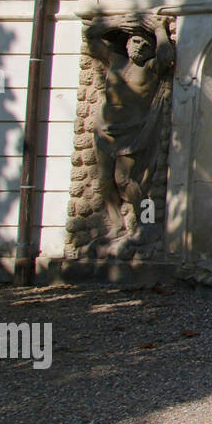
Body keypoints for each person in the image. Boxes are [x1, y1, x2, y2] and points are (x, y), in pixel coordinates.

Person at [85, 15, 175, 250]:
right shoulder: (115, 61)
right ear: (126, 43)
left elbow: (167, 58)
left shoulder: (150, 69)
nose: (139, 47)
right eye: (135, 41)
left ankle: (146, 223)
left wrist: (159, 30)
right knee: (105, 181)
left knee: (126, 180)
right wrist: (115, 23)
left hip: (132, 133)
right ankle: (117, 225)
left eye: (145, 45)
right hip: (105, 130)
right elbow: (91, 37)